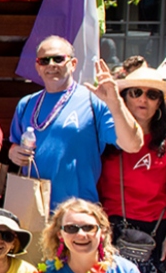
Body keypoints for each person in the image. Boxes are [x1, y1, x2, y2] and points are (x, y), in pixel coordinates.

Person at [7, 36, 144, 211]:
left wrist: (116, 104)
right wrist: (14, 153)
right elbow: (14, 146)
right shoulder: (26, 104)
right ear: (37, 67)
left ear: (73, 64)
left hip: (78, 211)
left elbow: (133, 144)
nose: (51, 65)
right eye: (44, 60)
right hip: (33, 209)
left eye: (58, 59)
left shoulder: (93, 101)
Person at [95, 67, 166, 273]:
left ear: (159, 103)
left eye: (152, 94)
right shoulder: (104, 132)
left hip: (153, 230)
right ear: (124, 98)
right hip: (107, 226)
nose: (143, 99)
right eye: (135, 92)